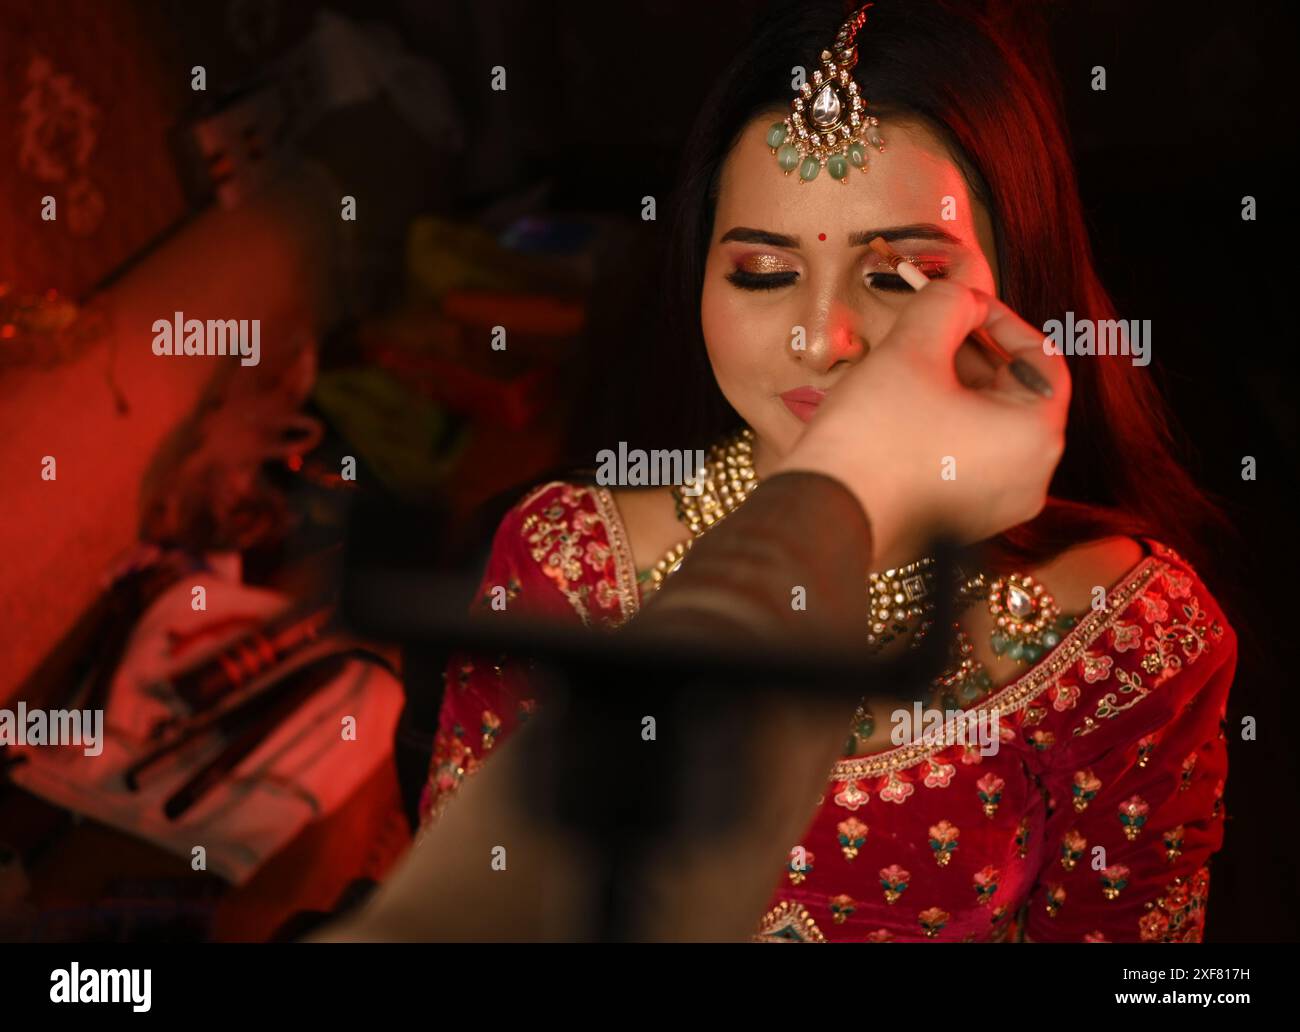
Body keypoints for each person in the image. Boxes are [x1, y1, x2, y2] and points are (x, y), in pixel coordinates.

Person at [381, 0, 1236, 942]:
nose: (820, 339)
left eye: (901, 275)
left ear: (1015, 290)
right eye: (760, 271)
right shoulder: (567, 564)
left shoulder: (1123, 640)